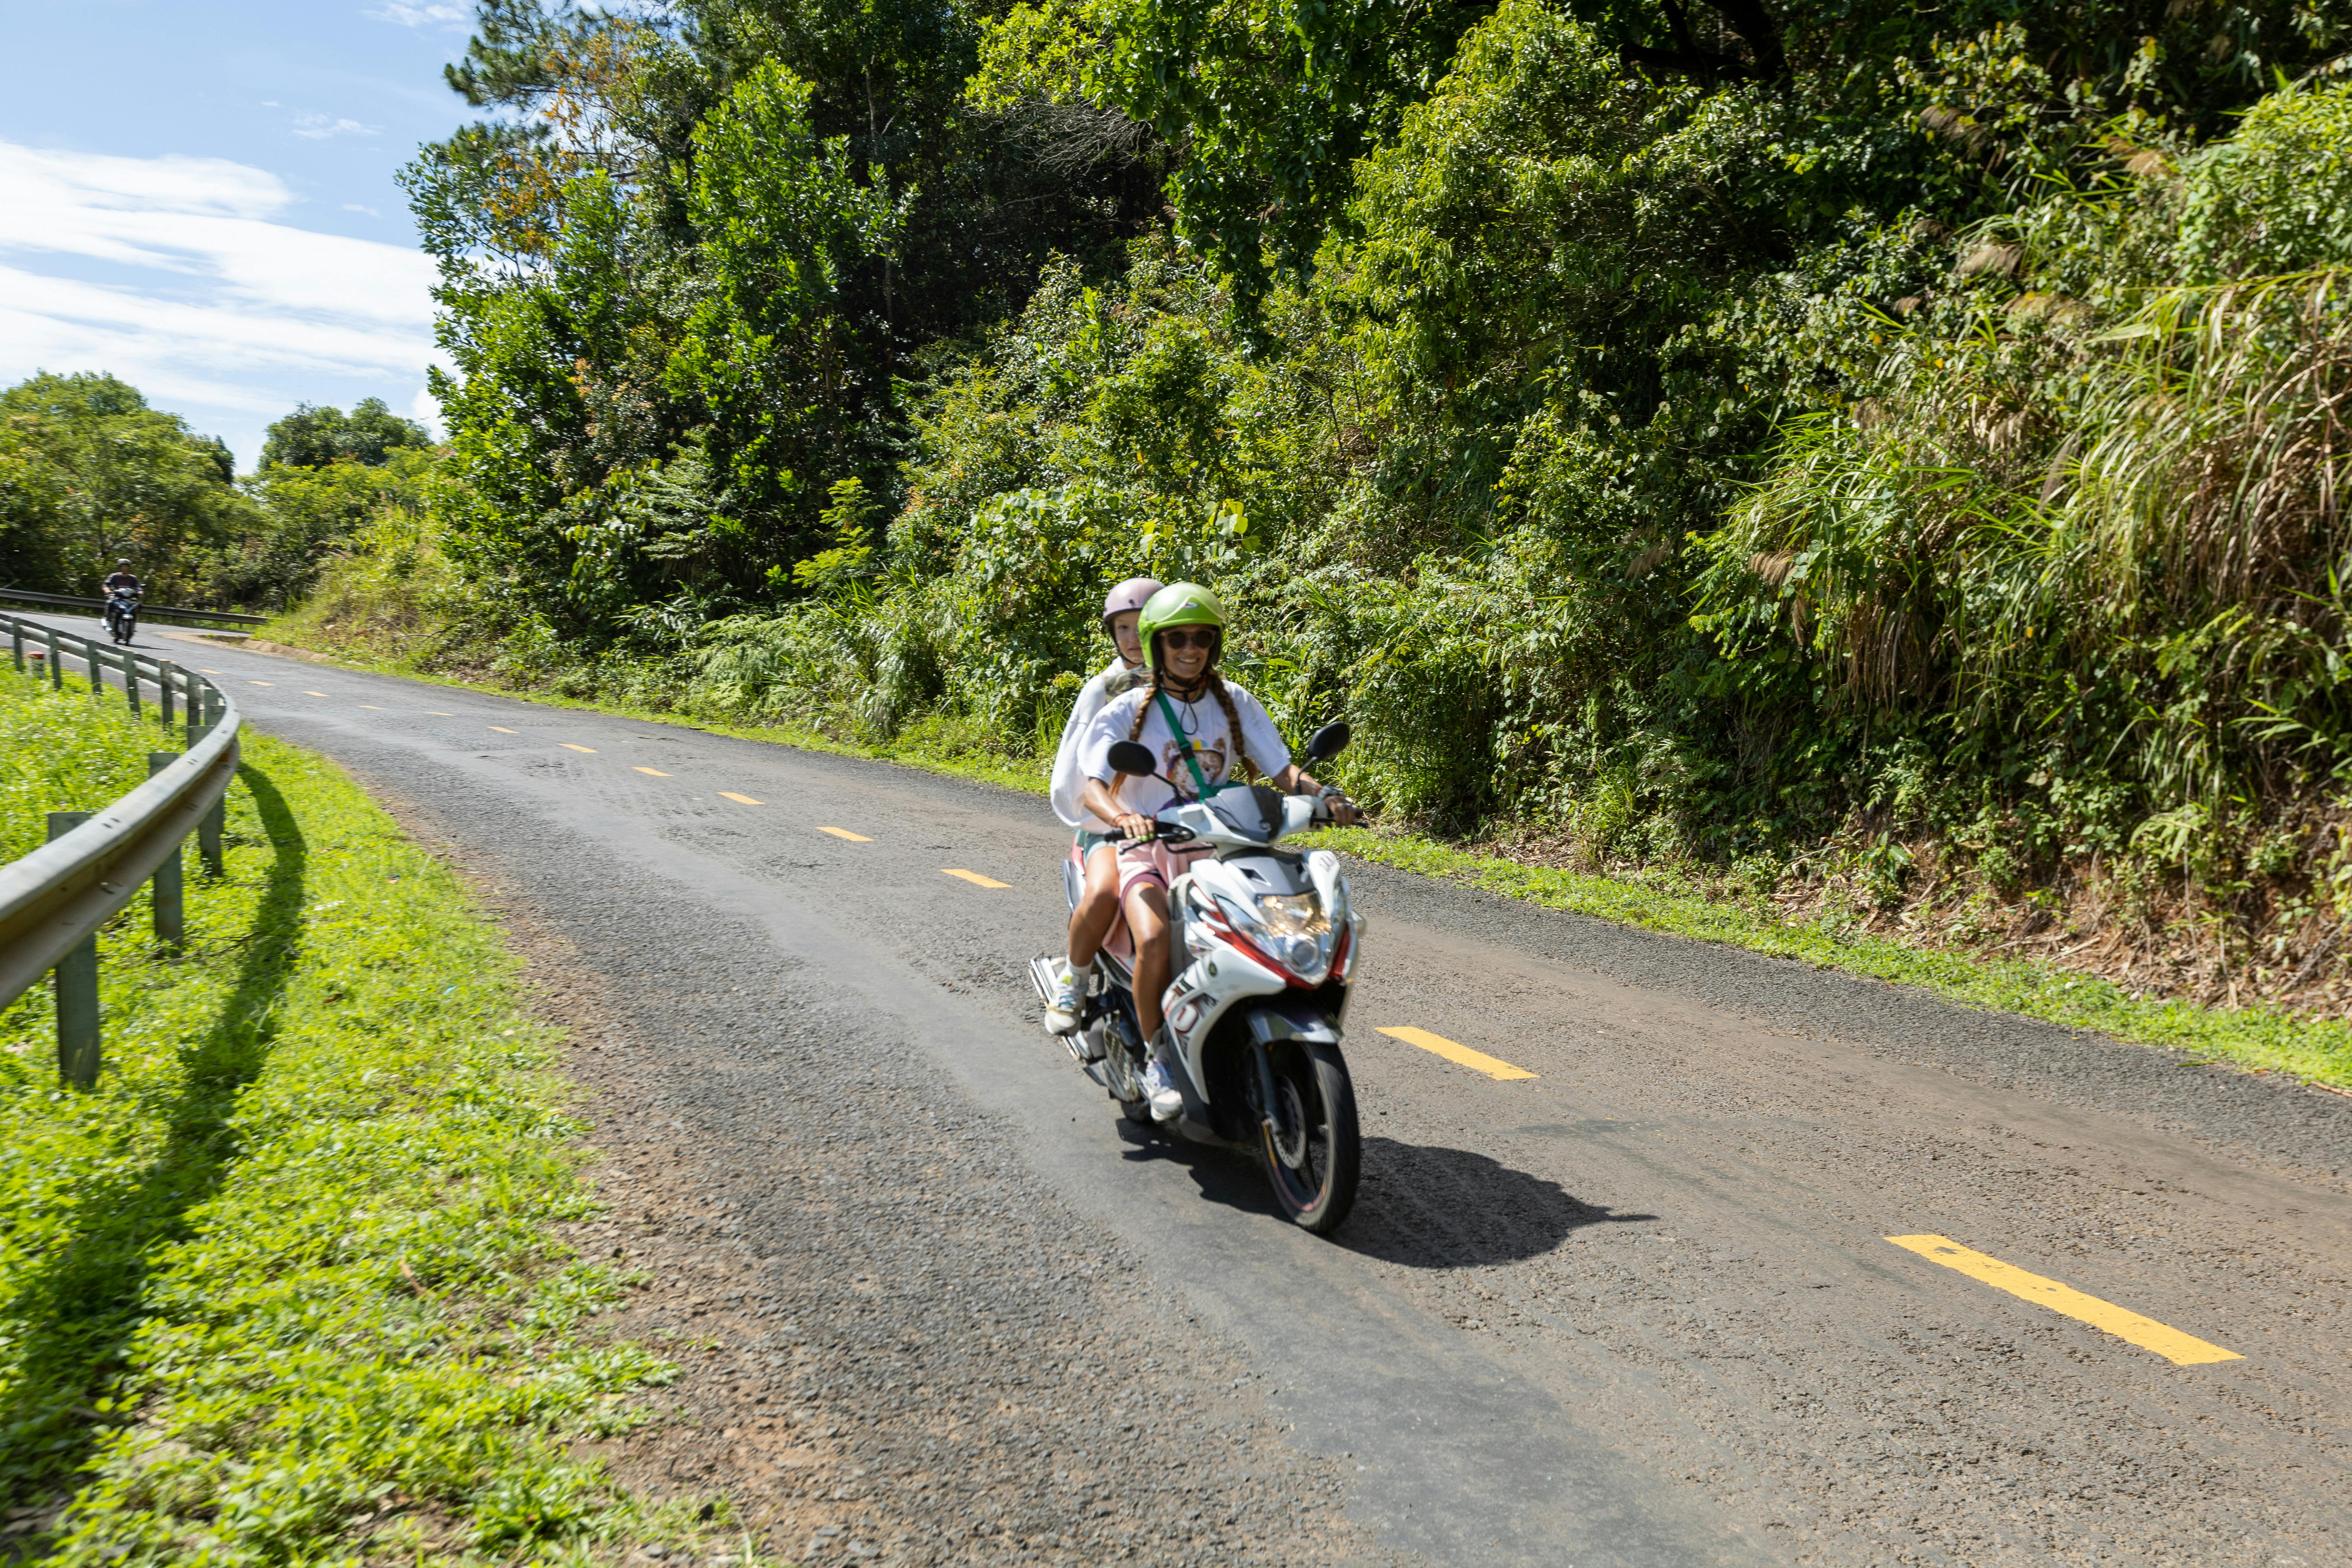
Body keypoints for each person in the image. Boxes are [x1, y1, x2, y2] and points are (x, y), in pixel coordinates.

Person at [1074, 582, 1357, 1119]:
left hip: (1221, 849)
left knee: (1268, 932)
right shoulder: (1128, 708)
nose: (1190, 648)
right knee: (1154, 938)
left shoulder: (1234, 701)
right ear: (1157, 644)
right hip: (1152, 848)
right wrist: (1123, 816)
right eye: (1177, 638)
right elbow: (1093, 785)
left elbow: (1282, 770)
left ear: (1215, 644)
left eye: (1202, 638)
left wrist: (1327, 797)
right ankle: (1158, 1059)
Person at [1042, 576, 1162, 1031]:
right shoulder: (1105, 689)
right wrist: (1106, 818)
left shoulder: (1195, 681)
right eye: (1124, 629)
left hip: (1182, 825)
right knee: (1107, 891)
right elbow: (1074, 774)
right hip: (1112, 826)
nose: (1134, 640)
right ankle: (1075, 977)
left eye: (1144, 627)